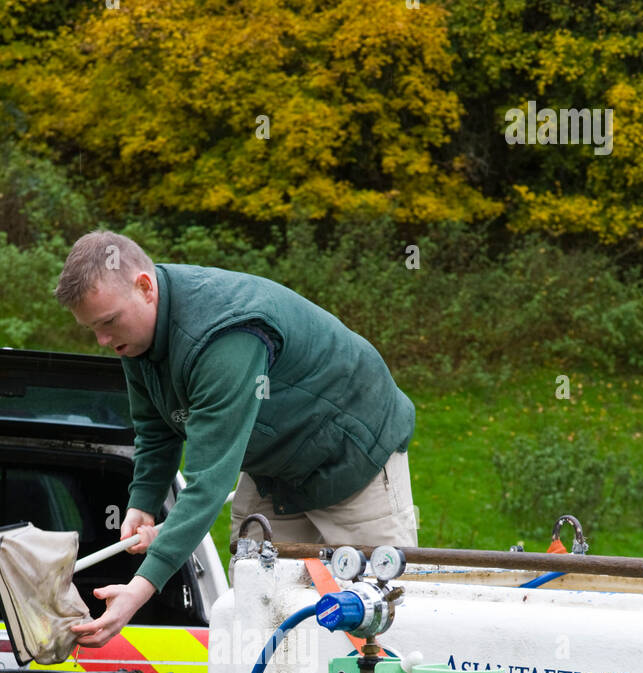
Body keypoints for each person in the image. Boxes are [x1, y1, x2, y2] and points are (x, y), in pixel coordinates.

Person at [54, 230, 417, 648]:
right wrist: (142, 502)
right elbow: (155, 427)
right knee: (258, 609)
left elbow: (208, 483)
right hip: (276, 466)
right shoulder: (136, 336)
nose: (102, 341)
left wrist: (137, 592)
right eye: (92, 329)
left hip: (351, 455)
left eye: (108, 322)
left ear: (144, 287)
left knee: (379, 611)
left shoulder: (221, 339)